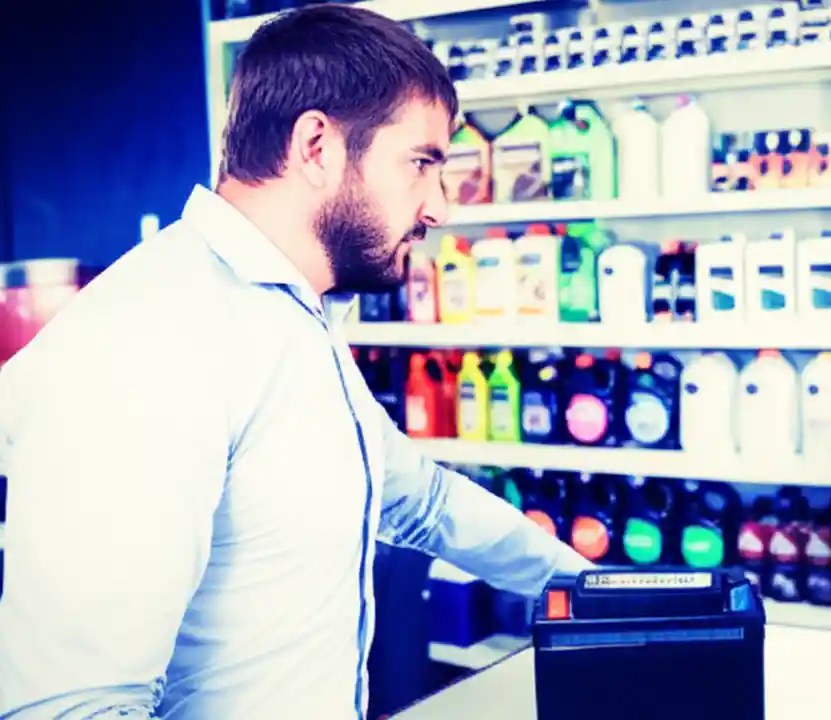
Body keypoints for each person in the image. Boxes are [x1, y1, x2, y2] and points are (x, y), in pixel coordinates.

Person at [0, 6, 591, 718]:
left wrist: (596, 590)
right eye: (423, 164)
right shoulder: (151, 340)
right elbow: (72, 708)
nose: (441, 206)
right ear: (317, 146)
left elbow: (419, 499)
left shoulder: (289, 316)